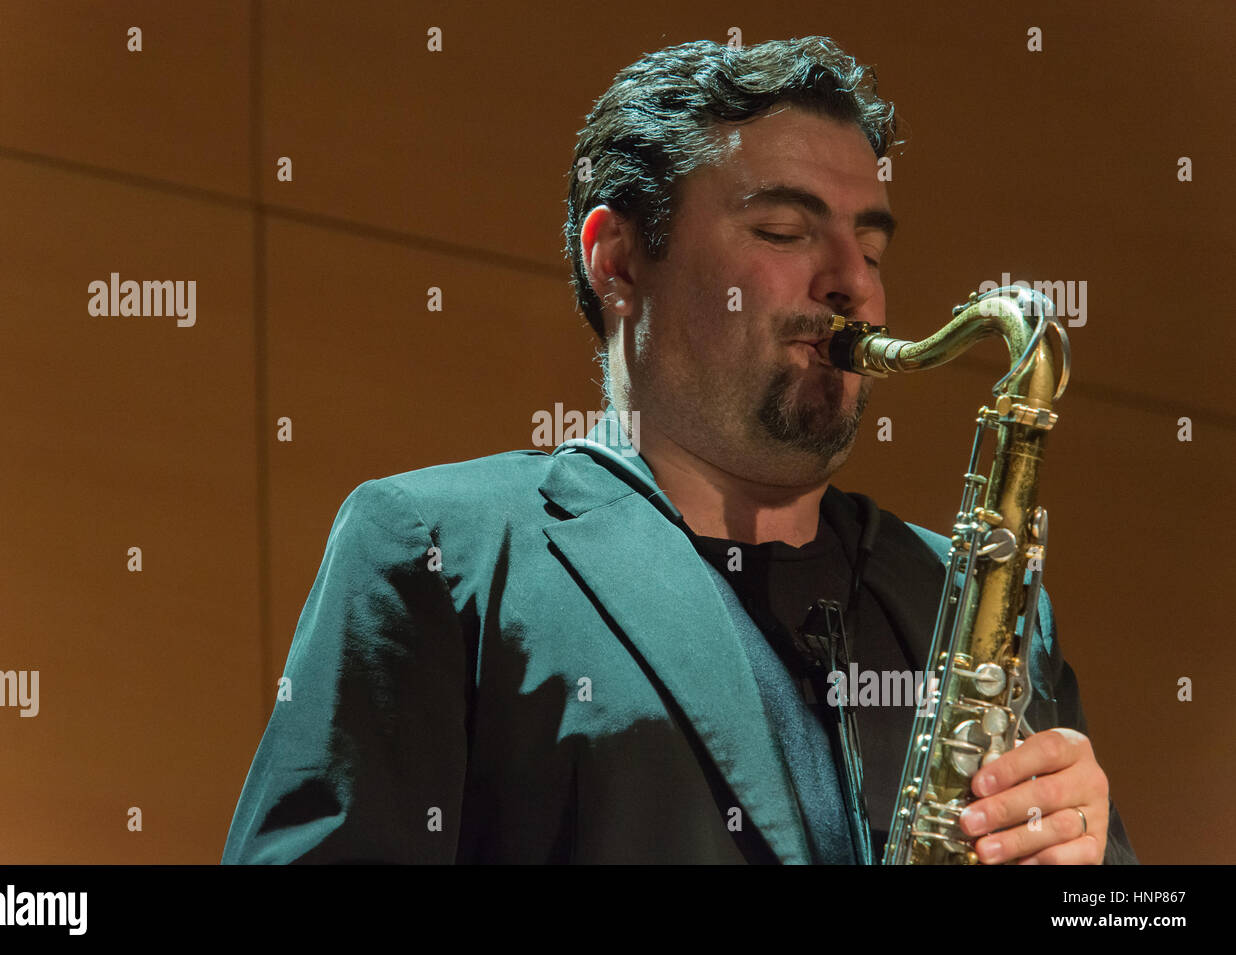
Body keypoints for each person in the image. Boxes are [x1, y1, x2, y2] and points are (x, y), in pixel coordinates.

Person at [221, 36, 1136, 864]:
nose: (852, 282)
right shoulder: (436, 548)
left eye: (871, 245)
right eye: (784, 231)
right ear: (618, 261)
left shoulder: (977, 604)